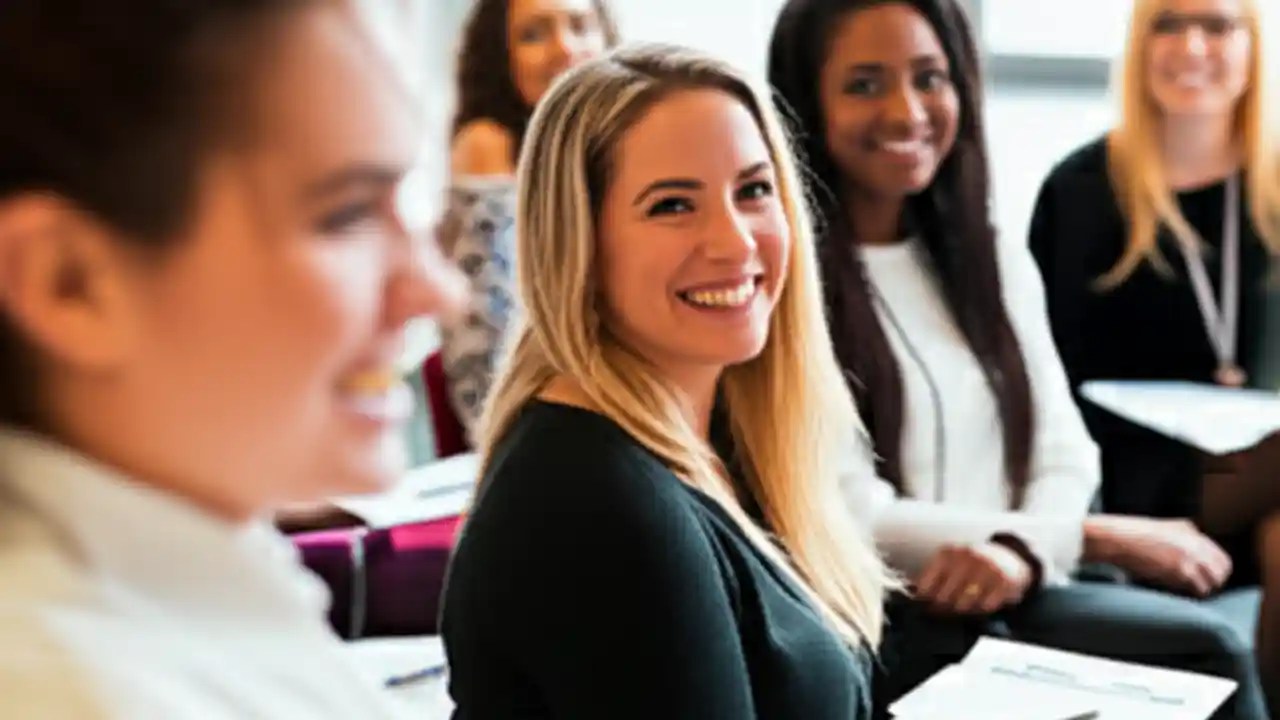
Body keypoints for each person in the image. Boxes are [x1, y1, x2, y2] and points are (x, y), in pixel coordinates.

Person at [769, 0, 1267, 716]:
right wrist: (1078, 537)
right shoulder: (785, 279)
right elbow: (846, 509)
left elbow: (1064, 454)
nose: (908, 111)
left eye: (930, 78)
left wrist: (1023, 554)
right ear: (806, 102)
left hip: (1023, 588)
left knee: (1206, 655)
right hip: (886, 615)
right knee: (1210, 651)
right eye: (865, 84)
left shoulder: (989, 256)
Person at [0, 0, 464, 716]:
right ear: (72, 283)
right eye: (345, 215)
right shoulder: (83, 691)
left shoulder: (196, 584)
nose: (438, 289)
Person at [440, 44, 892, 719]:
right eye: (673, 206)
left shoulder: (718, 443)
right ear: (579, 245)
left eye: (754, 190)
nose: (735, 242)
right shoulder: (598, 499)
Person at [1030, 0, 1280, 711]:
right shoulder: (1080, 190)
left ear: (1252, 45)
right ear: (1140, 44)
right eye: (1168, 23)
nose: (1191, 45)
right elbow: (1045, 374)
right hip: (1133, 475)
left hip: (1254, 474)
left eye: (1217, 25)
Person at [438, 0, 618, 442]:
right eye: (535, 34)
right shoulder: (488, 146)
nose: (565, 48)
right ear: (500, 58)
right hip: (534, 428)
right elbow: (483, 349)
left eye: (580, 25)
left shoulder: (621, 146)